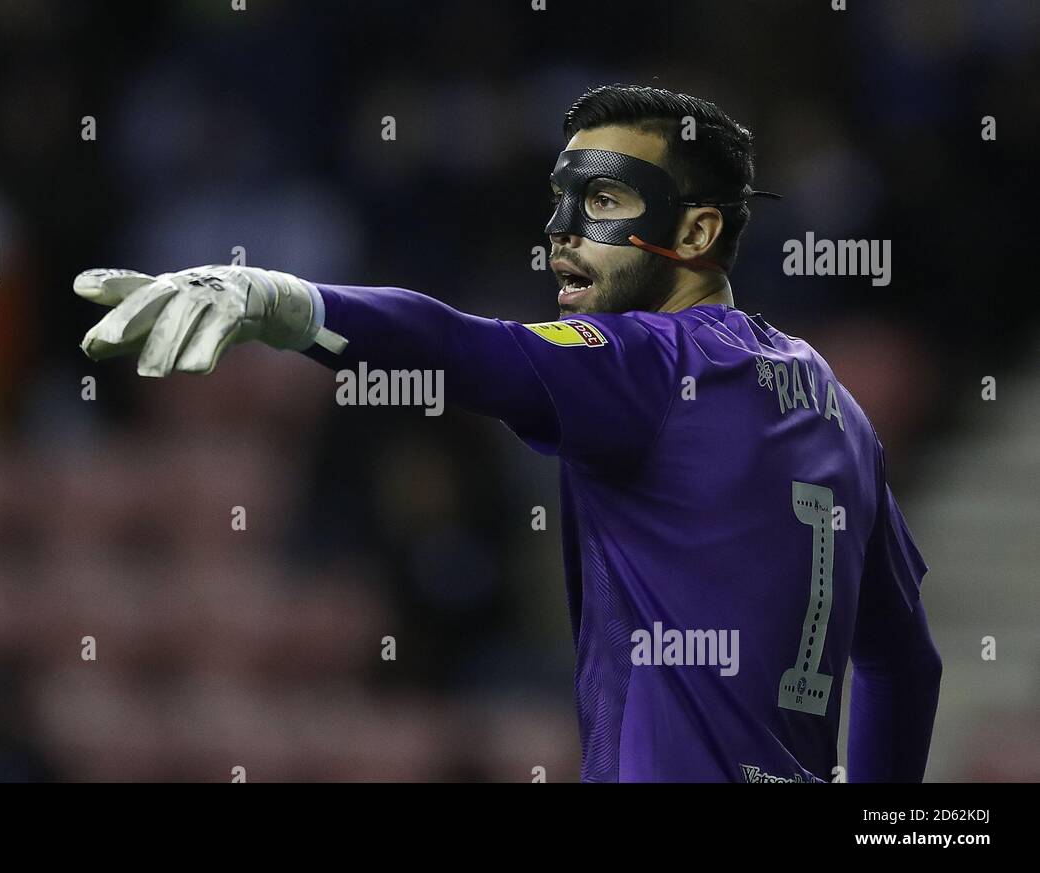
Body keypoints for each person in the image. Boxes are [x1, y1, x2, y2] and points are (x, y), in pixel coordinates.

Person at [73, 84, 941, 783]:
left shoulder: (646, 362)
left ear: (697, 231)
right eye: (560, 199)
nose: (561, 229)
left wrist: (287, 302)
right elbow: (905, 663)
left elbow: (462, 345)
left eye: (600, 199)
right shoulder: (834, 402)